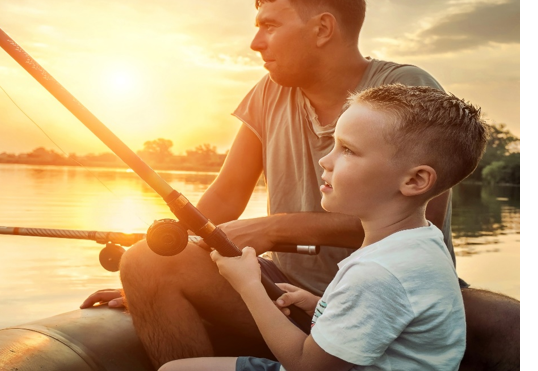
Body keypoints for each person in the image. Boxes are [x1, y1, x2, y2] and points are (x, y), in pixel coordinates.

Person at [80, 0, 519, 369]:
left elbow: (412, 212)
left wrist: (276, 228)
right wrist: (160, 266)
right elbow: (224, 198)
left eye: (270, 26)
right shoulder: (267, 93)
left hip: (389, 300)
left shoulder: (401, 93)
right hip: (292, 295)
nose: (255, 43)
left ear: (322, 28)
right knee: (146, 262)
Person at [159, 84, 482, 371]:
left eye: (348, 150)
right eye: (334, 145)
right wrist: (318, 303)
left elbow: (306, 364)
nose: (325, 161)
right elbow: (383, 319)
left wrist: (249, 285)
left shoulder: (378, 273)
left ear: (414, 180)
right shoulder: (421, 244)